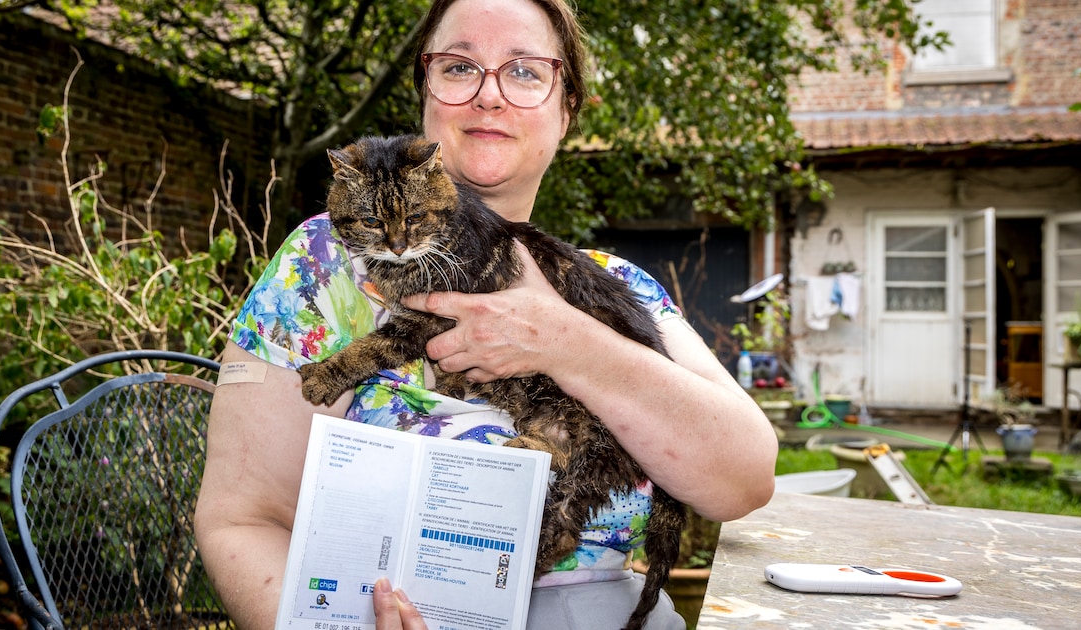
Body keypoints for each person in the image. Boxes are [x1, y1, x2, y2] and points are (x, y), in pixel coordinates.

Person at [194, 0, 779, 628]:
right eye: (458, 67)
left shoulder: (614, 287)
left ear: (567, 111)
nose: (488, 97)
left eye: (525, 71)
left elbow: (743, 477)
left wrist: (568, 340)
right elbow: (241, 518)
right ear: (426, 94)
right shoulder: (329, 263)